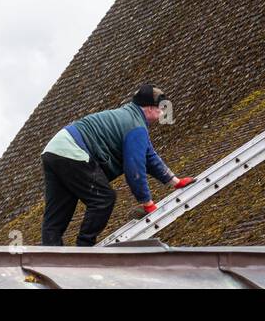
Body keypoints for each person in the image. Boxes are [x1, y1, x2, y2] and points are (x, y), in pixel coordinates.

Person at [40, 84, 193, 246]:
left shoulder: (129, 117)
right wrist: (147, 203)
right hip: (74, 150)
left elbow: (149, 157)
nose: (163, 113)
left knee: (57, 214)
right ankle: (85, 248)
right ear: (149, 108)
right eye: (161, 109)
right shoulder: (136, 127)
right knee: (103, 199)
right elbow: (135, 169)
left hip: (54, 150)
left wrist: (175, 181)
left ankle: (49, 255)